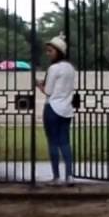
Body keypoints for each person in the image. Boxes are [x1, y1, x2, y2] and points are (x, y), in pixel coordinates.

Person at [37, 35, 76, 186]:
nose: (48, 54)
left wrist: (39, 85)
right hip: (66, 109)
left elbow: (48, 91)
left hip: (52, 108)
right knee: (65, 142)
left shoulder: (53, 68)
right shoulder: (70, 68)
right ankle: (70, 175)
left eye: (50, 51)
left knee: (53, 142)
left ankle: (56, 177)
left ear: (58, 52)